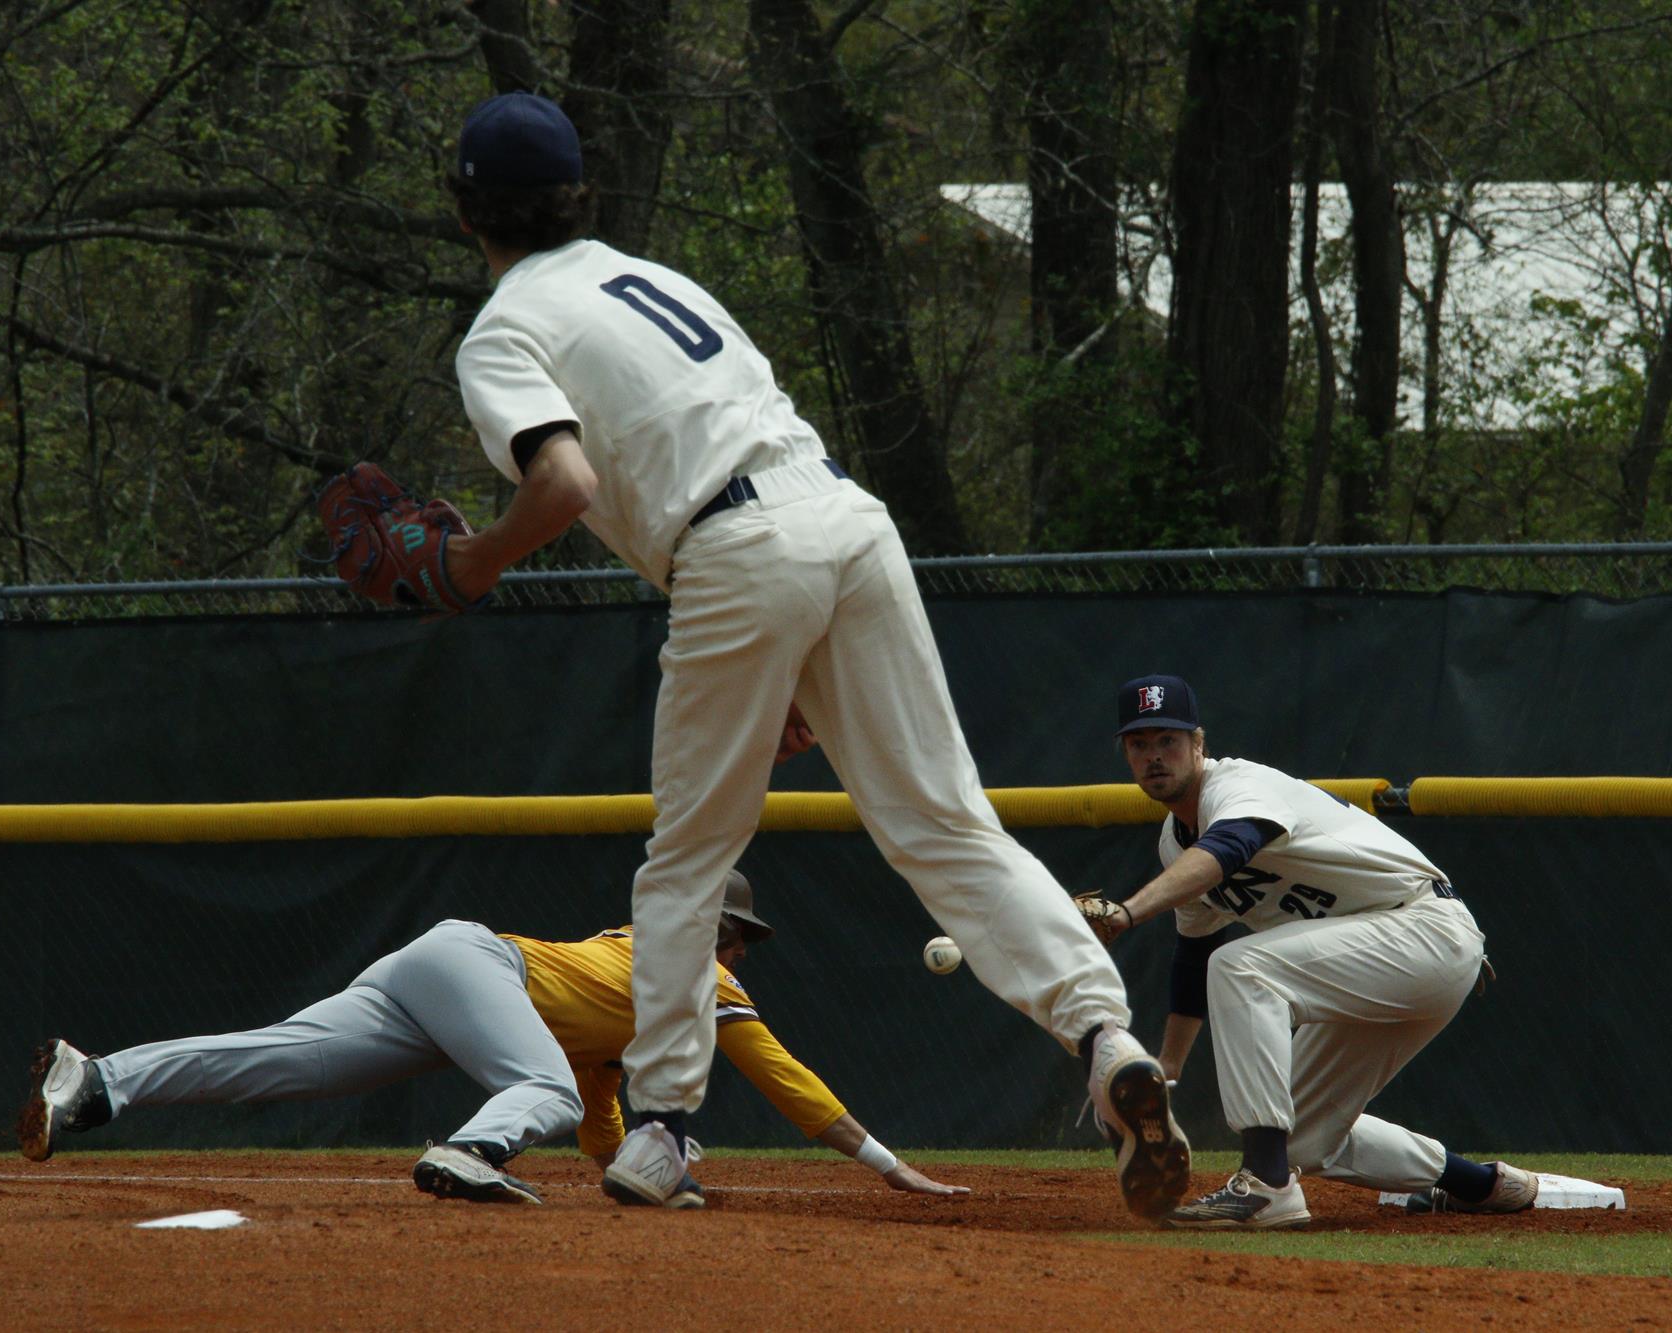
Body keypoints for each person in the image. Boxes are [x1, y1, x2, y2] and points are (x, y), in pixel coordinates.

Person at [429, 90, 1187, 1217]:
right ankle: (1104, 1035)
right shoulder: (656, 279)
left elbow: (567, 485)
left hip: (736, 551)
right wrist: (786, 662)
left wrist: (473, 563)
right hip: (841, 516)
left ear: (463, 212)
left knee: (685, 860)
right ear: (578, 192)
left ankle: (664, 1133)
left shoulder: (501, 328)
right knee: (947, 823)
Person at [17, 871, 966, 1204]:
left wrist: (651, 1179)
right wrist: (888, 1164)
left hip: (445, 976)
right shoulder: (696, 971)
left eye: (742, 941)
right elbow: (782, 1073)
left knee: (286, 1058)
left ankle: (99, 1079)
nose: (738, 953)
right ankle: (471, 1150)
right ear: (709, 929)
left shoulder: (628, 988)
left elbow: (598, 1124)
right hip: (480, 970)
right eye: (735, 935)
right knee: (537, 1092)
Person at [1075, 674, 1538, 1229]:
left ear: (1198, 744)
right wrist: (1167, 1067)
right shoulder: (1175, 845)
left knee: (1243, 967)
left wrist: (1127, 912)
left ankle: (1266, 1188)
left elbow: (1231, 846)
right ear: (1124, 755)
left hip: (1424, 929)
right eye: (1139, 744)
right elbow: (1192, 956)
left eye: (1168, 740)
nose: (1154, 756)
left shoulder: (1238, 786)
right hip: (1374, 962)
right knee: (1296, 1133)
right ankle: (1480, 1185)